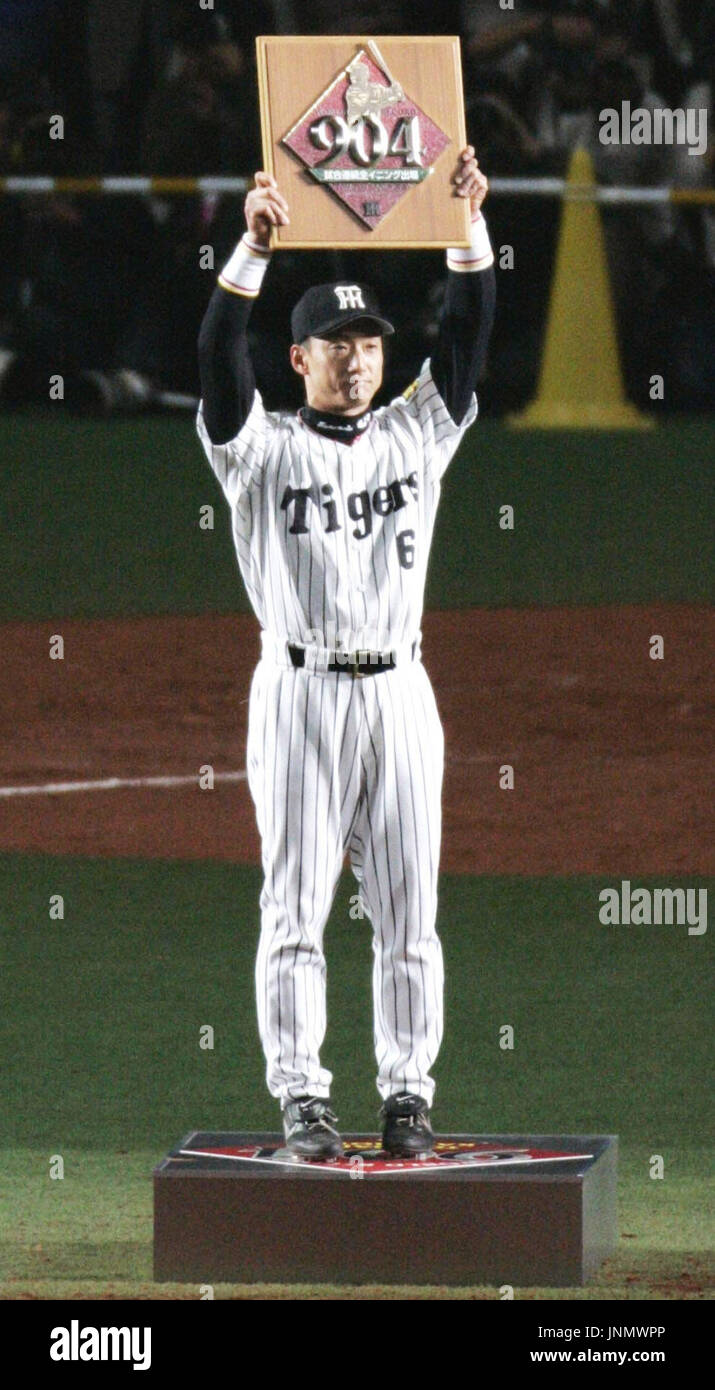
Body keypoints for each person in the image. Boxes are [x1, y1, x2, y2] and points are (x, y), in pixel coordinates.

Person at [196, 147, 496, 1159]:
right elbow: (213, 357)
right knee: (295, 908)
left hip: (401, 694)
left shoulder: (417, 432)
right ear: (299, 358)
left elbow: (468, 338)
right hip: (298, 694)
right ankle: (302, 1098)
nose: (357, 356)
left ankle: (408, 1095)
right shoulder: (256, 449)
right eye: (335, 342)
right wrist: (252, 245)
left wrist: (466, 224)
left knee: (411, 909)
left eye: (368, 340)